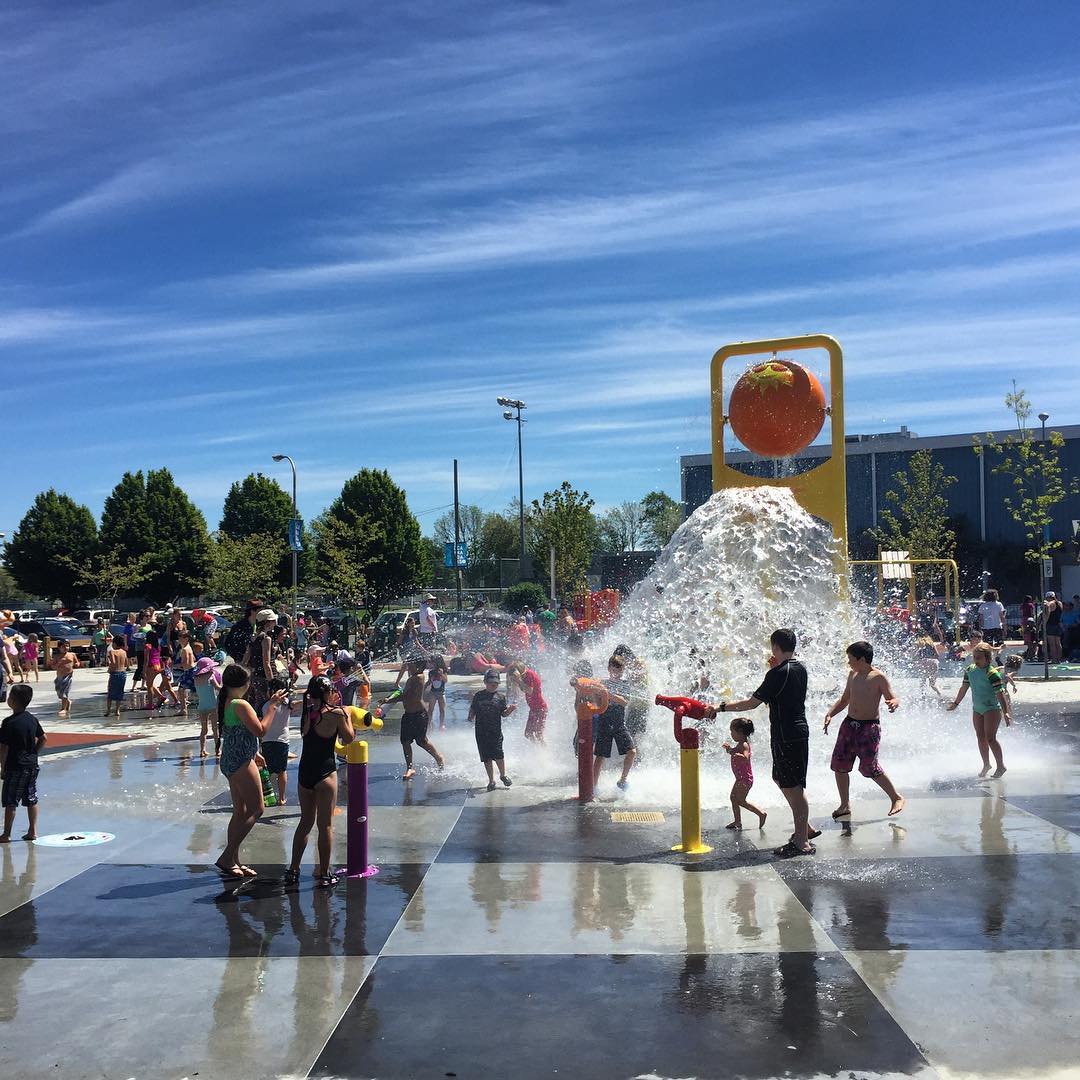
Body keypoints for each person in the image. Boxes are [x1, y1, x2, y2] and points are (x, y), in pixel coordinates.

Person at [709, 628, 816, 858]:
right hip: (796, 731)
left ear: (775, 647)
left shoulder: (777, 674)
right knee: (783, 780)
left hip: (786, 734)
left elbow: (751, 704)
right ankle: (804, 829)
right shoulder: (800, 669)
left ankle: (802, 842)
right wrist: (774, 667)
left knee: (793, 787)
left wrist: (721, 707)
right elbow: (782, 694)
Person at [286, 676, 355, 888]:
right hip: (325, 774)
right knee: (325, 825)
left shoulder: (308, 712)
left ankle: (293, 870)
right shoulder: (336, 714)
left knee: (305, 823)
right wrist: (348, 714)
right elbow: (348, 738)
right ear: (328, 693)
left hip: (304, 774)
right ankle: (324, 873)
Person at [215, 664, 283, 878]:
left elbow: (239, 733)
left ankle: (234, 860)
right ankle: (226, 857)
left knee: (241, 812)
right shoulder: (241, 704)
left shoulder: (226, 701)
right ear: (245, 684)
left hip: (231, 759)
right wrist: (272, 706)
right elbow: (261, 730)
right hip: (241, 762)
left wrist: (255, 752)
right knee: (257, 809)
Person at [823, 641, 904, 819]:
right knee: (840, 765)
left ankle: (896, 797)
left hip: (869, 728)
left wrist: (894, 703)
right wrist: (830, 714)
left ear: (861, 659)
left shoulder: (878, 677)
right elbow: (844, 700)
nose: (848, 662)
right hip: (849, 725)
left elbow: (893, 697)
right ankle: (844, 805)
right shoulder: (852, 674)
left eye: (851, 659)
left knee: (869, 767)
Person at [947, 642, 1013, 778]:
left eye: (979, 658)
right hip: (977, 709)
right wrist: (956, 703)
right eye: (974, 657)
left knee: (990, 738)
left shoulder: (992, 673)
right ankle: (986, 764)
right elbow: (964, 688)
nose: (976, 660)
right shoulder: (970, 670)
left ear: (988, 659)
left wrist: (1006, 712)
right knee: (980, 737)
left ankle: (1001, 766)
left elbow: (1001, 694)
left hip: (992, 709)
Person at [0, 683, 46, 843]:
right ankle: (33, 831)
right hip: (32, 765)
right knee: (31, 797)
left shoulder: (8, 722)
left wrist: (2, 767)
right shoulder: (32, 719)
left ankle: (6, 834)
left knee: (11, 801)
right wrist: (34, 753)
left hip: (15, 766)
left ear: (13, 700)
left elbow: (3, 747)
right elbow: (43, 738)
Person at [389, 659, 444, 780]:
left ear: (419, 667)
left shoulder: (417, 678)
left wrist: (389, 700)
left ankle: (438, 757)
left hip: (419, 715)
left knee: (421, 741)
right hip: (409, 714)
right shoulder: (415, 676)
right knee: (405, 741)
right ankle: (409, 768)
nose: (409, 666)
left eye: (411, 664)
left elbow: (406, 696)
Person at [468, 669, 516, 790]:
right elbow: (473, 708)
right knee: (486, 757)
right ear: (485, 682)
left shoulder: (500, 697)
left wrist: (509, 710)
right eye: (490, 683)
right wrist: (470, 716)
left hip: (495, 731)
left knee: (499, 754)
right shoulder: (478, 695)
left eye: (495, 683)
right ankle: (491, 780)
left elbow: (503, 714)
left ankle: (503, 775)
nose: (493, 685)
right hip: (481, 731)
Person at [595, 654, 637, 791]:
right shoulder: (602, 683)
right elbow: (597, 703)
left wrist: (609, 695)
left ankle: (623, 780)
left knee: (632, 752)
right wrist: (598, 693)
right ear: (608, 669)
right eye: (614, 670)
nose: (617, 673)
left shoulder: (625, 684)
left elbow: (625, 702)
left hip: (619, 724)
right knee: (600, 756)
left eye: (619, 671)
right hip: (604, 722)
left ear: (623, 671)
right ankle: (593, 786)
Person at [722, 717, 766, 830]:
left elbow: (746, 757)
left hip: (745, 779)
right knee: (733, 798)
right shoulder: (739, 744)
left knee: (740, 801)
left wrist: (739, 756)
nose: (731, 734)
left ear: (740, 732)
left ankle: (761, 814)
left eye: (732, 731)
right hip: (740, 778)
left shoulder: (744, 745)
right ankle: (737, 821)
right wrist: (729, 750)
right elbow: (733, 752)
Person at [260, 676, 292, 807]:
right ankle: (282, 798)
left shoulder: (266, 705)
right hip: (282, 741)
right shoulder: (287, 704)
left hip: (267, 741)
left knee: (267, 770)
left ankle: (264, 796)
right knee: (282, 771)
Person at [241, 610, 278, 717]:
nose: (275, 623)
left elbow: (245, 659)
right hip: (265, 676)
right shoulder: (266, 639)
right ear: (267, 622)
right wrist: (272, 682)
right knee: (269, 705)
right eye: (273, 621)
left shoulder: (253, 637)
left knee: (258, 705)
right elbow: (266, 663)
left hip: (255, 676)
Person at [507, 660, 547, 743]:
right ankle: (537, 750)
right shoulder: (524, 676)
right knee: (528, 733)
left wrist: (518, 680)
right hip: (534, 708)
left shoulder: (529, 674)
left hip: (540, 708)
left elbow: (529, 691)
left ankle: (544, 751)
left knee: (538, 734)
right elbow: (517, 692)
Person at [193, 656, 222, 758]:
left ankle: (202, 750)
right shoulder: (210, 676)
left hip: (202, 706)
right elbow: (217, 687)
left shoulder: (196, 678)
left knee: (203, 730)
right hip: (212, 706)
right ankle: (217, 750)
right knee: (215, 729)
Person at [222, 599, 263, 663]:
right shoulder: (239, 627)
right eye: (260, 610)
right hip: (243, 662)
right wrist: (239, 659)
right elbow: (228, 644)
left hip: (257, 662)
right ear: (252, 611)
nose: (262, 613)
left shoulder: (261, 625)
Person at [52, 638, 79, 719]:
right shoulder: (57, 656)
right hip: (59, 676)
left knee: (64, 693)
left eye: (67, 646)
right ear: (59, 648)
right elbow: (53, 666)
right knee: (59, 692)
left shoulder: (72, 655)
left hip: (68, 676)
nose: (66, 648)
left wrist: (77, 664)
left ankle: (63, 708)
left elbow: (76, 662)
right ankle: (68, 701)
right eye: (63, 646)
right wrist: (57, 664)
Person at [104, 635, 127, 717]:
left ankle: (108, 711)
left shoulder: (112, 652)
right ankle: (117, 711)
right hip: (123, 673)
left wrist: (109, 669)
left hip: (115, 673)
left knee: (110, 692)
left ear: (115, 644)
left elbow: (113, 662)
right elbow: (126, 664)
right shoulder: (124, 652)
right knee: (120, 692)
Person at [175, 629, 196, 716]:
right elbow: (194, 659)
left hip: (188, 671)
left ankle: (184, 709)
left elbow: (185, 662)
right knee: (187, 689)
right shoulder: (189, 647)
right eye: (179, 638)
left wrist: (176, 665)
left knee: (181, 690)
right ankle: (184, 708)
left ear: (186, 639)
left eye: (181, 638)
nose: (179, 640)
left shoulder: (184, 650)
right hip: (191, 670)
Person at [424, 656, 448, 731]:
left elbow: (446, 680)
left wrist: (441, 674)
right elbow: (429, 682)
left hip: (441, 693)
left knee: (442, 709)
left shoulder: (443, 671)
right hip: (433, 693)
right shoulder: (431, 672)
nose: (432, 664)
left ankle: (441, 725)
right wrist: (423, 688)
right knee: (431, 709)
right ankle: (429, 723)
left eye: (433, 662)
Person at [1044, 592, 1064, 664]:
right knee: (1058, 643)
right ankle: (1059, 659)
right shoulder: (1060, 603)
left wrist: (1044, 623)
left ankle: (1054, 659)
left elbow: (1048, 614)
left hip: (1051, 624)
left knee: (1052, 644)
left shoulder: (1049, 604)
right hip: (1058, 624)